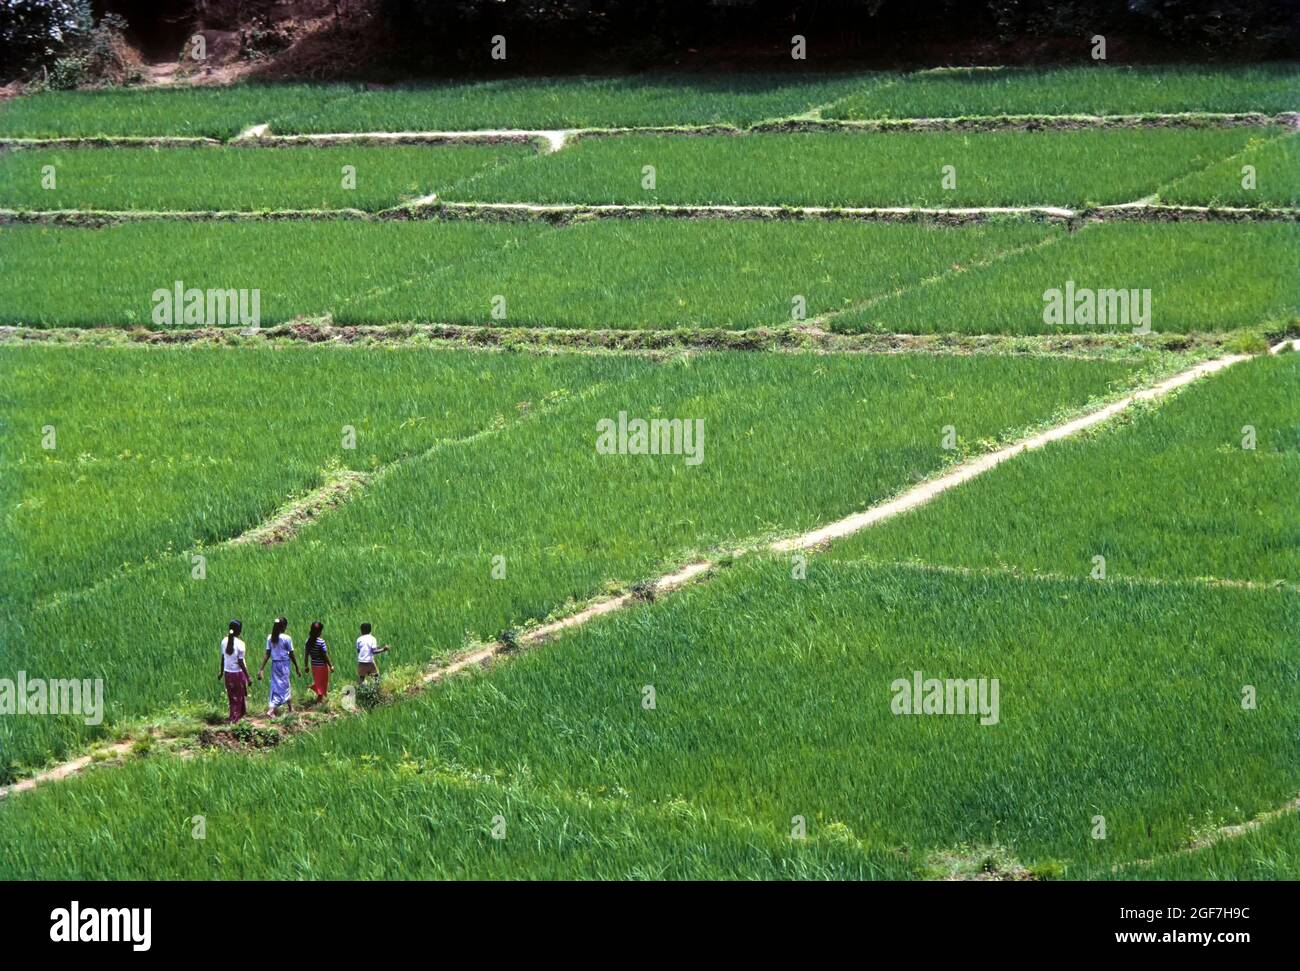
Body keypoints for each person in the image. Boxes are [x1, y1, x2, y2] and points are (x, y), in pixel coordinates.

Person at [258, 616, 300, 717]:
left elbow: (267, 654)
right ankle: (271, 710)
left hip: (275, 665)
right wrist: (297, 666)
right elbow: (291, 654)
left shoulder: (270, 637)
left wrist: (261, 668)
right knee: (285, 686)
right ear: (284, 626)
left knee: (277, 686)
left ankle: (290, 708)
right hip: (284, 665)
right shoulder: (287, 638)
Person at [217, 619, 251, 723]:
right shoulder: (240, 644)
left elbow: (223, 658)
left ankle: (237, 717)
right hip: (238, 674)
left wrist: (221, 672)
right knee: (240, 696)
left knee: (232, 697)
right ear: (239, 630)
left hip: (228, 674)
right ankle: (235, 719)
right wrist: (248, 677)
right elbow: (240, 661)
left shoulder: (224, 641)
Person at [302, 620, 334, 702]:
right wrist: (330, 665)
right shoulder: (321, 642)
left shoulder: (308, 642)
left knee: (319, 682)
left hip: (314, 666)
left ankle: (318, 695)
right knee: (323, 683)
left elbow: (306, 655)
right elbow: (324, 655)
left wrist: (306, 666)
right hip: (322, 666)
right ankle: (319, 701)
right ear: (320, 631)